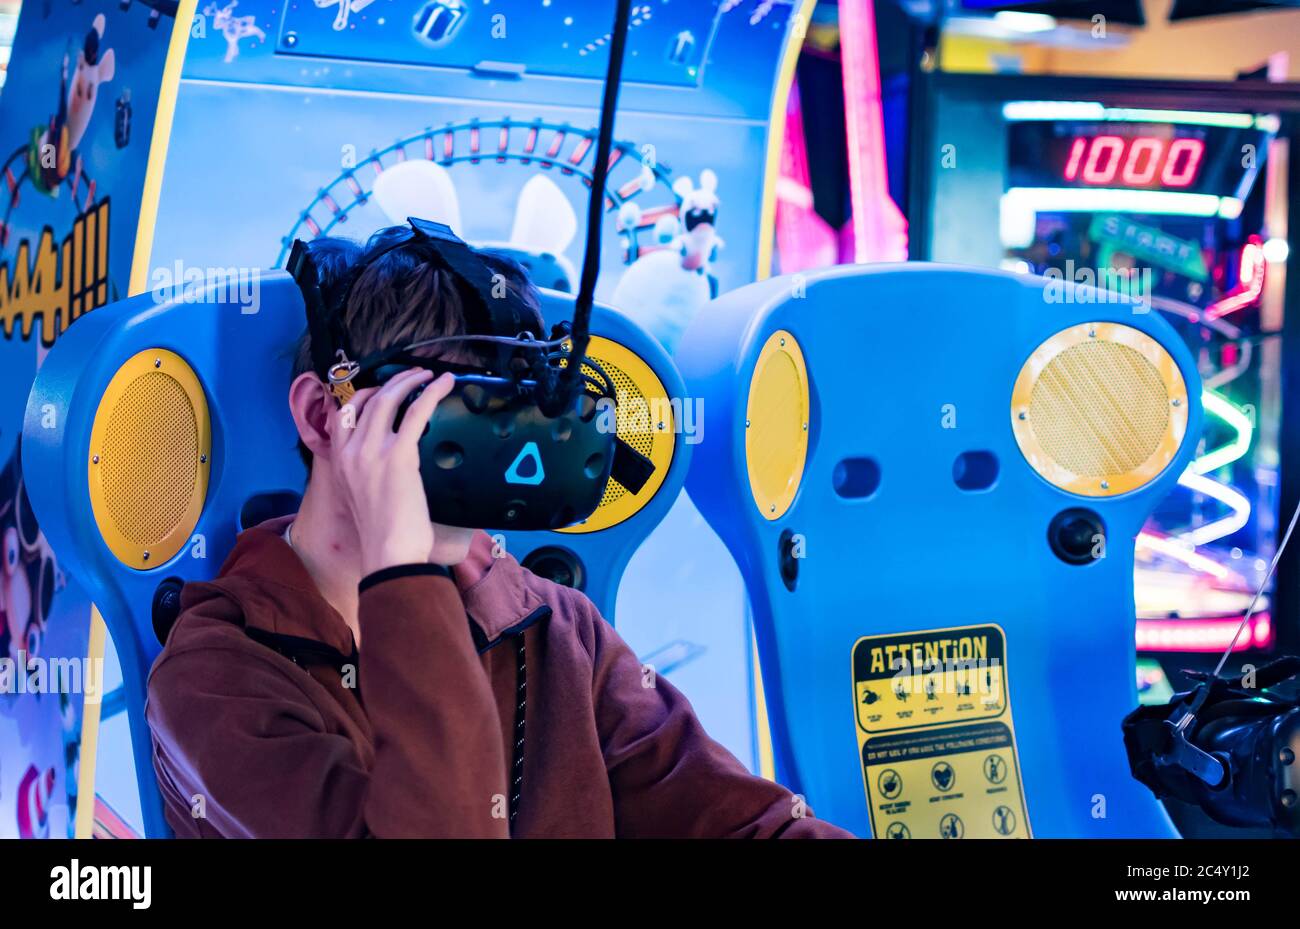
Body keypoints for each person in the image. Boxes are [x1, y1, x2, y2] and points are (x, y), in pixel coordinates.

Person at [145, 225, 852, 838]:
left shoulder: (557, 628)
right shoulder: (213, 680)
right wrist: (402, 569)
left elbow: (739, 822)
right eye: (455, 413)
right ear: (326, 418)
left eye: (511, 413)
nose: (500, 457)